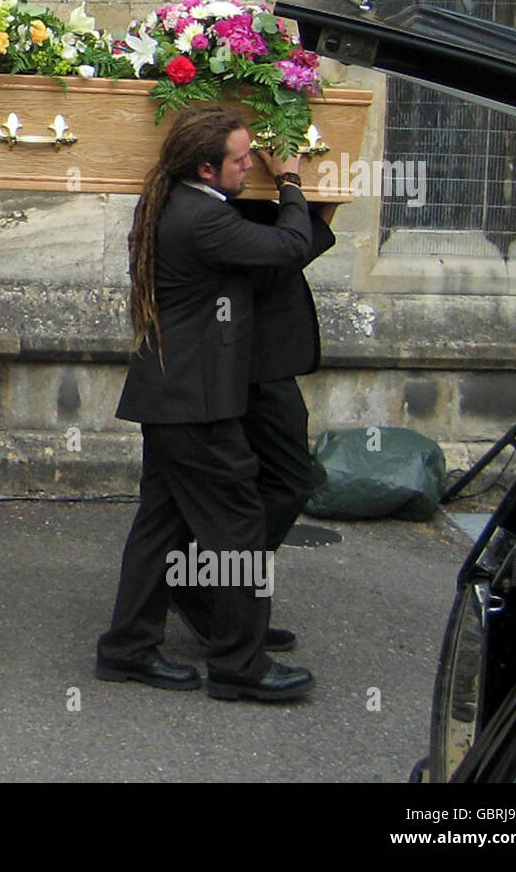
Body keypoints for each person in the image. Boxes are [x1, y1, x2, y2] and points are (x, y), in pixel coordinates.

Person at [95, 106, 317, 702]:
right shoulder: (204, 219)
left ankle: (128, 647)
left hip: (171, 394)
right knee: (240, 528)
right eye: (241, 160)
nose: (252, 166)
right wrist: (291, 179)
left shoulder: (182, 203)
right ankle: (239, 665)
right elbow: (291, 243)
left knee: (160, 526)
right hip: (194, 403)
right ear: (205, 166)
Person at [168, 196, 338, 650]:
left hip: (262, 353)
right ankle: (209, 590)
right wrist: (298, 192)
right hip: (251, 356)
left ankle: (215, 594)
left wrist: (319, 197)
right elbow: (267, 264)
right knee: (287, 481)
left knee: (256, 484)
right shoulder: (216, 203)